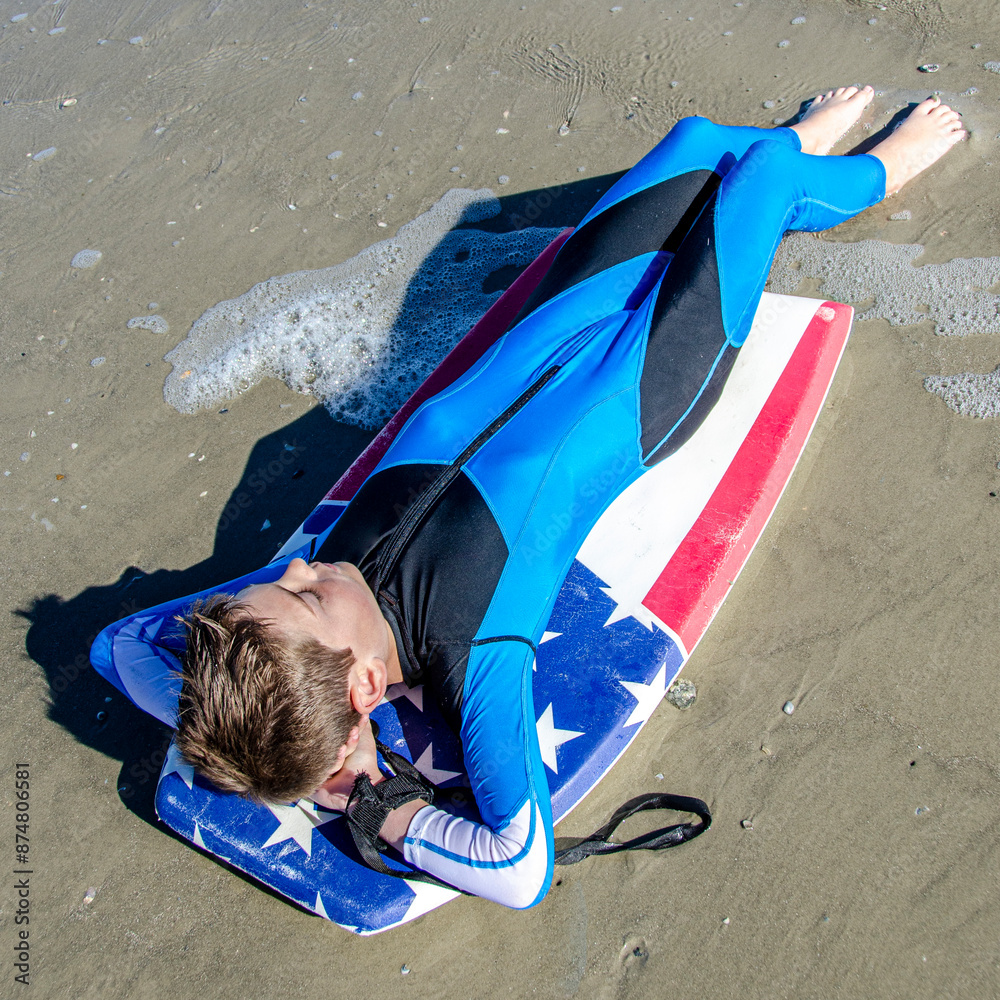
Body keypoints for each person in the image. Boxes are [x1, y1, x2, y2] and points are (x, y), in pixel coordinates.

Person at [175, 88, 965, 908]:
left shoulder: (318, 608)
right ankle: (878, 173)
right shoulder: (475, 657)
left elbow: (122, 647)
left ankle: (799, 148)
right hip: (647, 381)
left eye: (278, 582)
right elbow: (519, 870)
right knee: (763, 171)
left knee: (694, 140)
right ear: (369, 687)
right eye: (305, 594)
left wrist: (295, 755)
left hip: (557, 326)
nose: (301, 565)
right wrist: (384, 809)